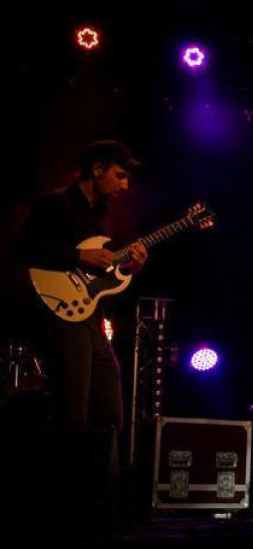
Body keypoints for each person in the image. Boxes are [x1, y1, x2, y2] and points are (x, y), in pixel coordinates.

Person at [11, 139, 147, 432]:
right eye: (120, 175)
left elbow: (97, 276)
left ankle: (99, 476)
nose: (124, 186)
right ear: (97, 169)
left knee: (109, 413)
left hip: (90, 320)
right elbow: (21, 250)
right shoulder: (55, 204)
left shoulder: (98, 217)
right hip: (62, 319)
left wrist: (130, 267)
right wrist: (76, 256)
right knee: (73, 414)